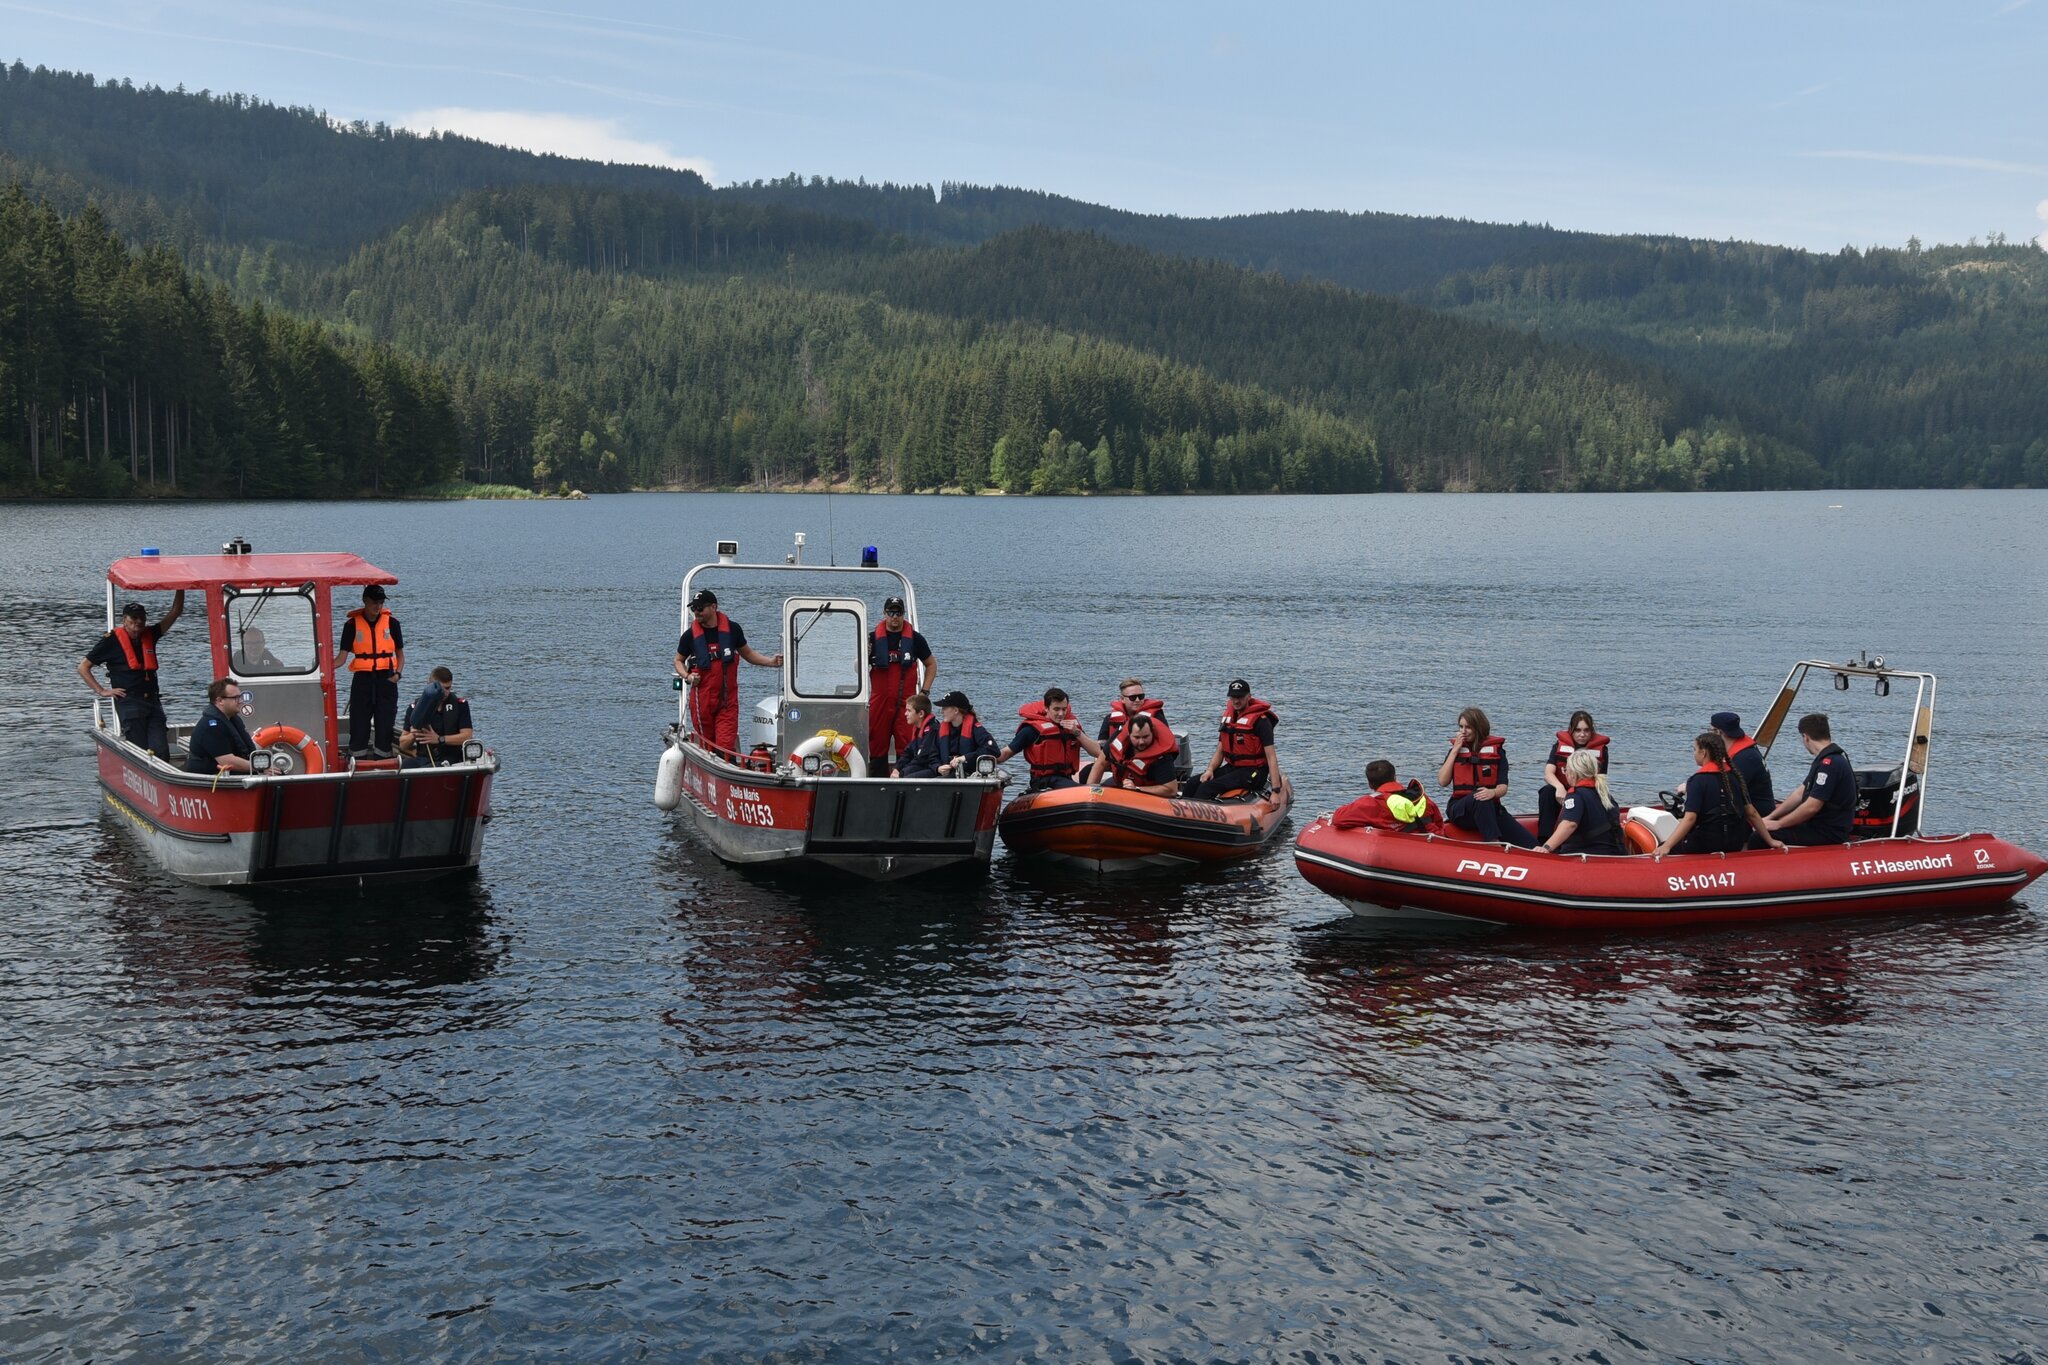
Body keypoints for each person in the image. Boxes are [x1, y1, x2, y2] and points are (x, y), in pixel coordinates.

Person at [673, 589, 782, 758]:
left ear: (713, 607)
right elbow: (678, 661)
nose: (696, 612)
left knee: (724, 745)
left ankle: (726, 773)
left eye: (700, 608)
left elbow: (748, 654)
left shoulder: (733, 630)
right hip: (702, 700)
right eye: (694, 608)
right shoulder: (689, 636)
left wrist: (771, 662)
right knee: (705, 745)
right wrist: (687, 676)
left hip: (727, 700)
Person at [80, 591, 187, 761]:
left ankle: (162, 784)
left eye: (141, 618)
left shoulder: (150, 635)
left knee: (161, 751)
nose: (138, 622)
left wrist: (181, 587)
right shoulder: (110, 641)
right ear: (124, 620)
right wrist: (102, 691)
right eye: (133, 618)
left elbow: (175, 612)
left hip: (152, 702)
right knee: (139, 752)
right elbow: (83, 667)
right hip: (129, 702)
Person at [1655, 730, 1781, 855]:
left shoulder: (1696, 781)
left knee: (1663, 845)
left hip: (1706, 843)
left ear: (1703, 753)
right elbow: (1751, 812)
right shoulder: (1735, 777)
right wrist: (1770, 841)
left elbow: (1690, 818)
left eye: (1695, 749)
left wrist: (1667, 845)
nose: (1694, 753)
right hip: (1734, 843)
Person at [1437, 706, 1539, 848]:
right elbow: (1442, 781)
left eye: (1468, 727)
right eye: (1461, 727)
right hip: (1460, 809)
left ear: (1478, 727)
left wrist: (1493, 792)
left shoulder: (1498, 752)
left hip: (1490, 806)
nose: (1463, 731)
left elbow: (1503, 787)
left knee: (1531, 844)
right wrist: (1454, 751)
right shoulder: (1456, 751)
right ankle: (1493, 844)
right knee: (1480, 797)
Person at [1761, 713, 1859, 846]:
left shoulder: (1830, 764)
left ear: (1805, 737)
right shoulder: (1826, 759)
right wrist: (1770, 817)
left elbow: (1812, 807)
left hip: (1828, 832)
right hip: (1818, 826)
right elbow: (1799, 793)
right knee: (1764, 827)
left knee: (1760, 837)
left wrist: (1778, 824)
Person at [336, 584, 404, 757]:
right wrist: (322, 667)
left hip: (387, 679)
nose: (378, 606)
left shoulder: (392, 623)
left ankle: (384, 761)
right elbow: (341, 658)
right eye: (374, 602)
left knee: (385, 724)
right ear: (365, 601)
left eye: (381, 602)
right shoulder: (351, 625)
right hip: (362, 680)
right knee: (359, 723)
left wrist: (397, 675)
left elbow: (400, 655)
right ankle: (357, 762)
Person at [1184, 679, 1281, 800]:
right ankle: (1179, 815)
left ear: (1248, 697)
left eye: (1240, 697)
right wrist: (1210, 770)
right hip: (1232, 768)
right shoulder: (1229, 719)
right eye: (1233, 697)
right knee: (1192, 783)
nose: (1236, 701)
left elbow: (1271, 757)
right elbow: (1220, 749)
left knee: (1207, 788)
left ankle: (1195, 816)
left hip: (1254, 772)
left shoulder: (1261, 721)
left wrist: (1276, 791)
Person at [867, 595, 936, 764]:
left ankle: (904, 780)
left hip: (907, 702)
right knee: (876, 744)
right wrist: (865, 654)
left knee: (907, 745)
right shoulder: (871, 639)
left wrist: (924, 692)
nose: (894, 616)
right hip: (880, 701)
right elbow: (856, 667)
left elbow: (931, 665)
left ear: (903, 614)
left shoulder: (915, 639)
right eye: (891, 612)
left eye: (898, 612)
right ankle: (876, 781)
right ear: (884, 613)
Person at [998, 687, 1103, 791]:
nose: (1061, 714)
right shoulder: (1032, 730)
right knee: (1084, 790)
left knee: (1094, 777)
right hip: (1044, 782)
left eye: (1064, 709)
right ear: (1046, 708)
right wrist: (988, 759)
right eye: (1056, 709)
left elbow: (1097, 752)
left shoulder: (1072, 727)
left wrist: (1077, 733)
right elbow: (1006, 753)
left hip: (1066, 779)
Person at [1535, 749, 1625, 854]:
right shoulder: (1604, 793)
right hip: (1613, 852)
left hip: (1585, 854)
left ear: (1573, 773)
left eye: (1566, 770)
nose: (1565, 774)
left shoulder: (1575, 795)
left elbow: (1569, 824)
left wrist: (1546, 847)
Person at [1539, 710, 1610, 840]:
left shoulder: (1601, 750)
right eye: (1578, 730)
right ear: (1571, 730)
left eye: (1586, 730)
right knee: (1547, 792)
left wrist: (1575, 793)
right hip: (1562, 791)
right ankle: (1545, 838)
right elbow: (1548, 772)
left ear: (1591, 731)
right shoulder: (1559, 746)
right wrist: (1560, 787)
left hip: (1586, 793)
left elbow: (1601, 778)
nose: (1582, 735)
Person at [1332, 760, 1443, 832]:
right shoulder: (1420, 797)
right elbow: (1439, 823)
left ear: (1370, 784)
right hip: (1434, 845)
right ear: (1394, 777)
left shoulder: (1370, 804)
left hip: (1403, 851)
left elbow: (1337, 818)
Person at [1086, 712, 1180, 796]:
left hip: (1147, 796)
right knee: (1086, 773)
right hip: (1121, 785)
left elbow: (1171, 790)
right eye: (1137, 737)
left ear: (1152, 732)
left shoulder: (1162, 756)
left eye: (1146, 737)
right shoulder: (1118, 738)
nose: (1141, 742)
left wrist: (1137, 789)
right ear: (1129, 734)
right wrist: (1089, 792)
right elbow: (1101, 763)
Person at [398, 666, 475, 767]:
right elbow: (403, 745)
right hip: (423, 758)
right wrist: (414, 735)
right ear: (430, 685)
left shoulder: (460, 705)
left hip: (449, 758)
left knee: (432, 768)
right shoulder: (415, 708)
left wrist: (439, 739)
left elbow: (467, 736)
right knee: (404, 766)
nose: (445, 693)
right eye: (442, 689)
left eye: (448, 688)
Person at [1709, 711, 1775, 820]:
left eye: (1711, 730)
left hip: (1757, 816)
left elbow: (1727, 789)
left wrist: (1692, 788)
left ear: (1719, 732)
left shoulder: (1745, 758)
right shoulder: (1744, 752)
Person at [184, 678, 256, 775]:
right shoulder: (211, 727)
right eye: (236, 698)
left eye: (240, 697)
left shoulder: (232, 719)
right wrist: (259, 768)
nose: (241, 701)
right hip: (211, 776)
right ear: (220, 700)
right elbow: (227, 761)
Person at [931, 691, 999, 777]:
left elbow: (993, 750)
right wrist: (938, 767)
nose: (941, 712)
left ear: (956, 710)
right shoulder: (940, 730)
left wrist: (964, 758)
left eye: (944, 708)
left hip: (968, 775)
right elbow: (932, 755)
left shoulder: (976, 729)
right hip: (946, 773)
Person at [1096, 678, 1167, 744]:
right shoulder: (1110, 719)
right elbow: (1100, 747)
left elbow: (1166, 742)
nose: (1137, 700)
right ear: (1122, 699)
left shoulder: (1156, 716)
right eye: (1132, 697)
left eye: (1141, 696)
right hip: (1117, 756)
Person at [891, 693, 943, 778]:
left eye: (909, 710)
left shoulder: (932, 731)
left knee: (905, 778)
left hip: (932, 768)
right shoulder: (918, 731)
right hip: (922, 766)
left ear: (921, 714)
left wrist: (902, 773)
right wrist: (897, 768)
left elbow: (922, 758)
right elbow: (908, 752)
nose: (905, 714)